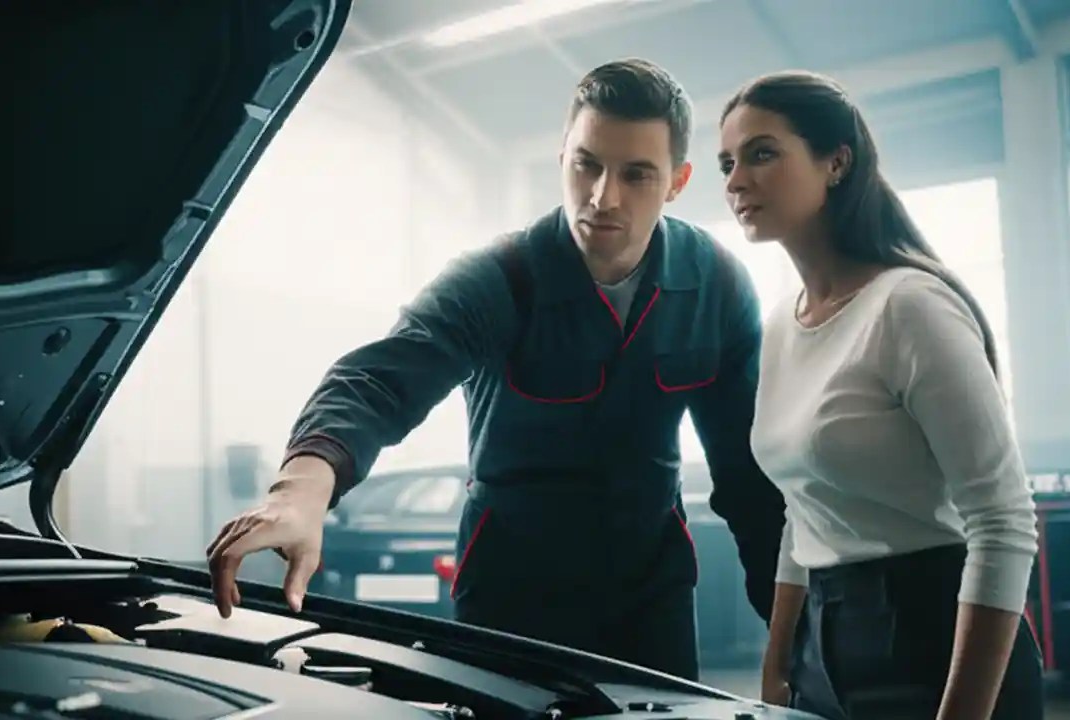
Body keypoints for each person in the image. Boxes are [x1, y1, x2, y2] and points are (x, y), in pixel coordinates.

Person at [205, 57, 787, 682]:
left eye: (636, 174)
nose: (603, 197)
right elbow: (378, 382)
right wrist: (298, 495)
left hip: (651, 596)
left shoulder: (716, 286)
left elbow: (751, 478)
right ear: (562, 156)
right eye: (586, 164)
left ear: (677, 181)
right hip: (511, 597)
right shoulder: (500, 278)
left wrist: (791, 640)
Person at [717, 70, 1044, 719]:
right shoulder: (781, 324)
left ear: (836, 162)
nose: (735, 181)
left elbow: (1004, 522)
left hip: (938, 642)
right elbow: (802, 510)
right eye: (728, 163)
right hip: (822, 647)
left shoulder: (910, 307)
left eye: (762, 154)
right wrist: (777, 664)